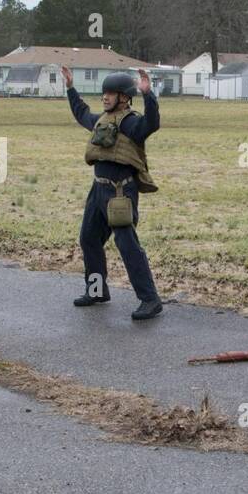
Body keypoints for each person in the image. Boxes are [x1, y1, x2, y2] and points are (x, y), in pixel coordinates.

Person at [62, 66, 163, 320]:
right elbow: (81, 113)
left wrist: (148, 95)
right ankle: (97, 291)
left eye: (111, 93)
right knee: (89, 239)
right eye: (104, 93)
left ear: (124, 98)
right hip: (98, 190)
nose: (105, 97)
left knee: (127, 245)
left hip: (120, 192)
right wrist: (70, 88)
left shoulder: (131, 122)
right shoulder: (100, 120)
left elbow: (151, 124)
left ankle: (150, 299)